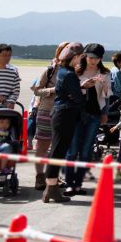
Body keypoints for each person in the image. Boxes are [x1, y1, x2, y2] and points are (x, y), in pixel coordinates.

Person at [64, 43, 110, 196]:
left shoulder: (104, 72)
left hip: (94, 113)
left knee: (86, 151)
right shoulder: (76, 71)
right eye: (90, 57)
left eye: (96, 58)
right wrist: (83, 86)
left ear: (101, 59)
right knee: (72, 150)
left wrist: (103, 86)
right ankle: (69, 183)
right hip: (76, 113)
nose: (92, 61)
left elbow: (107, 95)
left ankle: (78, 183)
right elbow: (69, 93)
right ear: (85, 56)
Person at [42, 43, 84, 203]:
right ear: (74, 57)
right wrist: (80, 94)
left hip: (60, 113)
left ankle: (50, 188)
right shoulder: (70, 74)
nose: (81, 59)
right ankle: (51, 189)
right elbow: (79, 98)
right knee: (58, 152)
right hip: (65, 115)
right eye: (80, 56)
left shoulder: (63, 72)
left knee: (57, 150)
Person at [29, 43, 68, 191]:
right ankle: (40, 176)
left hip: (64, 113)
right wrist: (53, 90)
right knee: (43, 145)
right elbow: (37, 91)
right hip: (46, 111)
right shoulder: (50, 70)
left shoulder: (75, 71)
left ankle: (53, 176)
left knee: (58, 147)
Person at [0, 44, 20, 108]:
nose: (7, 58)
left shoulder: (13, 72)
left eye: (9, 55)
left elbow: (16, 90)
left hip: (6, 109)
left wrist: (11, 101)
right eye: (4, 55)